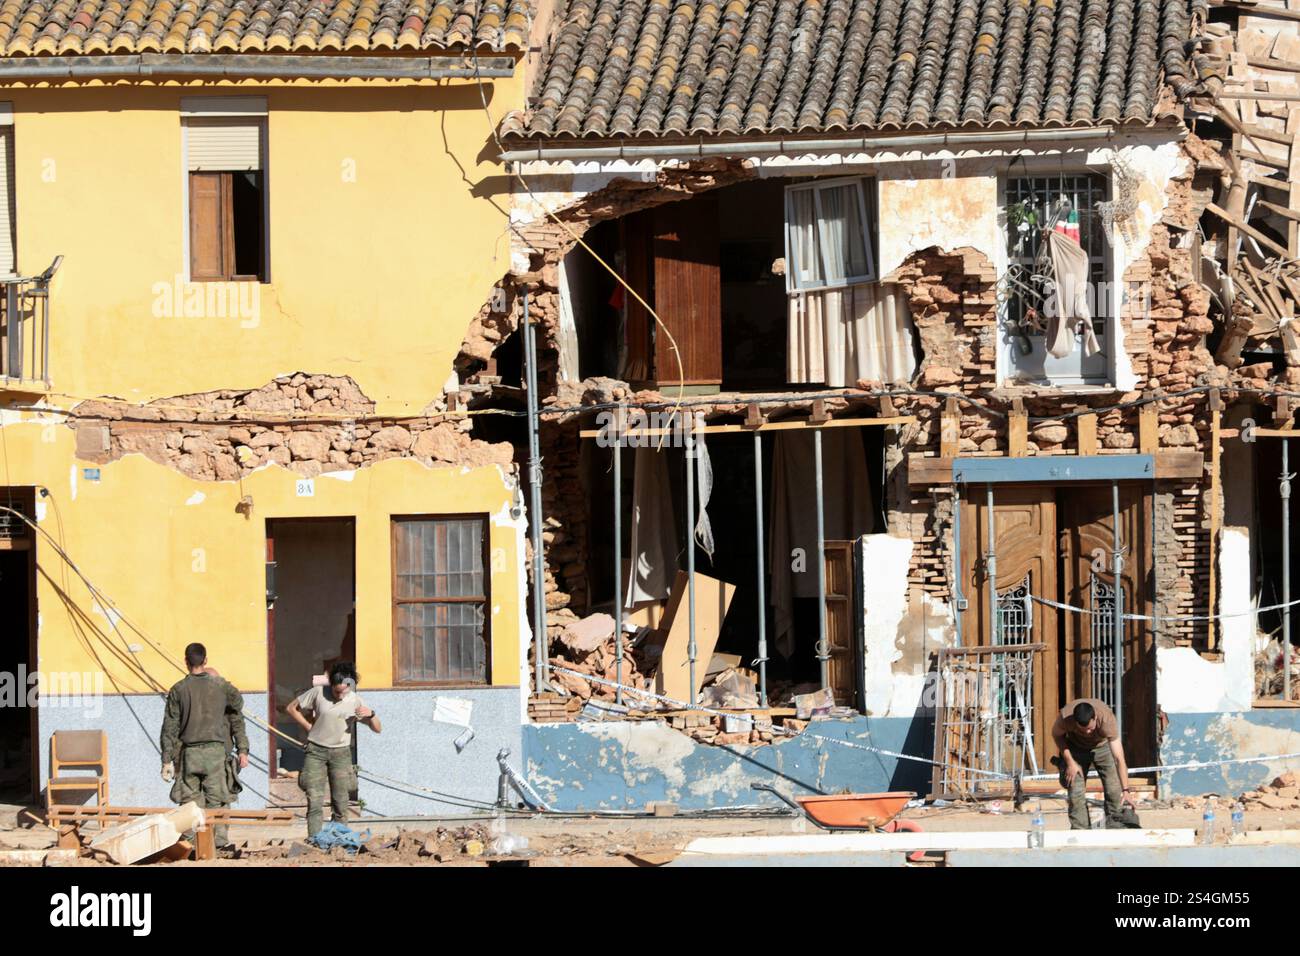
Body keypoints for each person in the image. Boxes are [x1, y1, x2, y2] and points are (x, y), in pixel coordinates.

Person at [160, 643, 249, 847]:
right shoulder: (220, 686)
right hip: (215, 753)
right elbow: (238, 704)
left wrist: (166, 760)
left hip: (189, 753)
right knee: (217, 801)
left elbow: (169, 727)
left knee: (189, 804)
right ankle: (215, 846)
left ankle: (191, 845)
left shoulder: (178, 689)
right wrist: (219, 686)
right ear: (205, 660)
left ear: (185, 661)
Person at [286, 661, 381, 839]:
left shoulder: (355, 700)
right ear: (331, 685)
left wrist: (372, 714)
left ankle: (339, 839)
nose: (340, 695)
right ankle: (315, 839)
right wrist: (308, 726)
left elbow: (377, 728)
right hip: (316, 752)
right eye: (336, 691)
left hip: (341, 754)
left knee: (341, 800)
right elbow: (291, 708)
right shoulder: (318, 692)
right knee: (314, 798)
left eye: (344, 691)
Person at [1052, 697, 1133, 830]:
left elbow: (1119, 758)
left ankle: (1116, 825)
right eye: (1083, 730)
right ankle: (1080, 830)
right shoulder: (1065, 718)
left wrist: (1126, 790)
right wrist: (1070, 762)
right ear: (1075, 722)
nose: (1088, 733)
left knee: (1113, 788)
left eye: (1090, 728)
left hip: (1102, 748)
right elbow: (1056, 735)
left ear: (1095, 718)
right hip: (1075, 749)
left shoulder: (1107, 720)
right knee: (1075, 791)